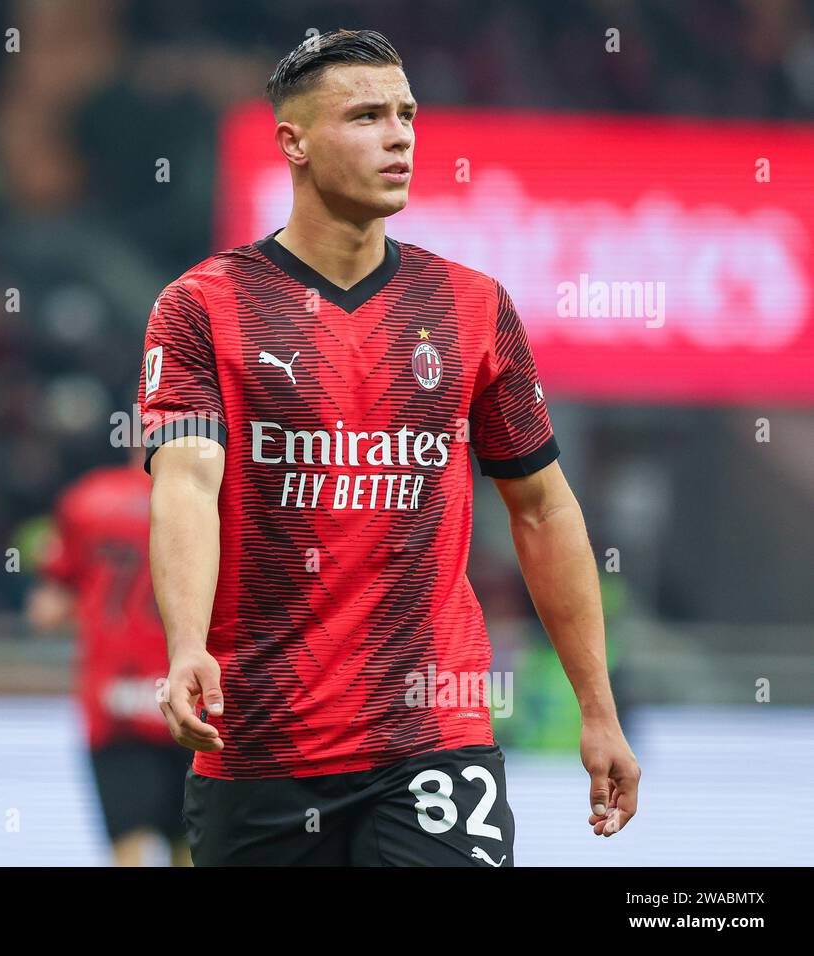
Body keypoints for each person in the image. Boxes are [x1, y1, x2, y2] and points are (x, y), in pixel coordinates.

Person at [138, 29, 639, 866]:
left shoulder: (473, 307)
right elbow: (186, 485)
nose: (399, 135)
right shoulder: (202, 307)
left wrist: (599, 707)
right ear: (292, 143)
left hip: (431, 732)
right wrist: (187, 643)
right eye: (366, 116)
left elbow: (544, 508)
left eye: (406, 114)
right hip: (259, 741)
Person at [27, 447, 191, 866]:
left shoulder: (89, 500)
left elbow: (47, 607)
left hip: (116, 702)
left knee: (128, 849)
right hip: (194, 700)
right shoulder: (208, 497)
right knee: (193, 848)